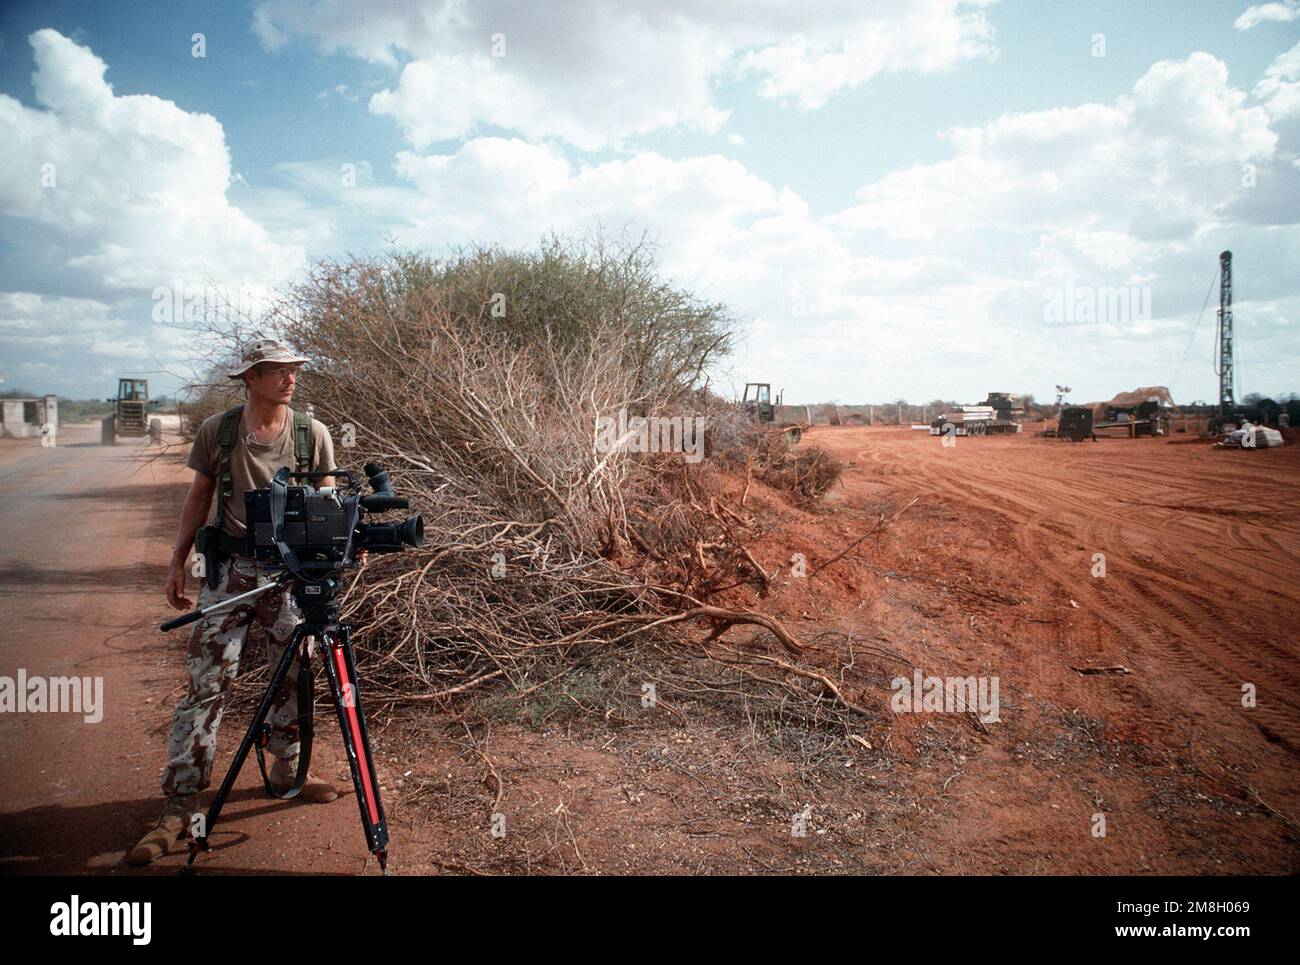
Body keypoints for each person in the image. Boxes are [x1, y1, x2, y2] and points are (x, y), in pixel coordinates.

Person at [129, 338, 340, 866]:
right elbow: (198, 497)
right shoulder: (219, 431)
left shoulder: (311, 433)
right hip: (228, 574)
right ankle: (181, 804)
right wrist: (178, 560)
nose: (290, 379)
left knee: (296, 673)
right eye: (277, 372)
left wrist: (326, 563)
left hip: (288, 575)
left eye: (293, 371)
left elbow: (329, 501)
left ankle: (287, 768)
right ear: (251, 377)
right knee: (206, 685)